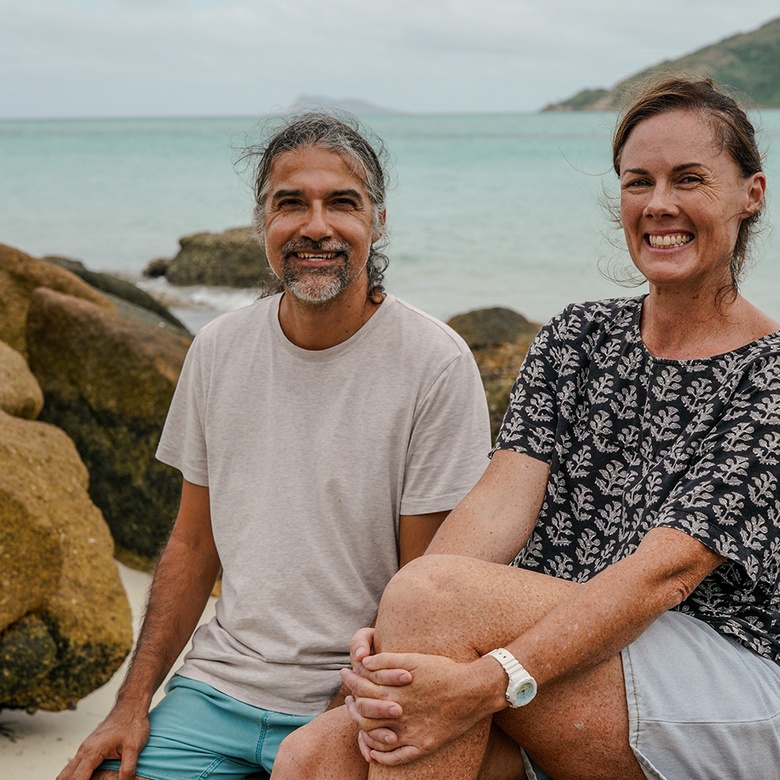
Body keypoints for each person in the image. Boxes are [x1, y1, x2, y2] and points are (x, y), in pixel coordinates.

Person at [271, 77, 780, 780]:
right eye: (639, 182)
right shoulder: (579, 336)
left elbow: (664, 575)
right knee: (311, 754)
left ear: (751, 193)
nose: (660, 205)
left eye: (689, 179)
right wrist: (400, 629)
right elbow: (498, 504)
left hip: (716, 680)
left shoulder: (770, 374)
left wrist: (487, 679)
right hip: (570, 651)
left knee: (432, 604)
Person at [58, 112, 491, 780]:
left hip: (351, 697)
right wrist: (131, 703)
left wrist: (338, 725)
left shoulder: (434, 363)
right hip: (217, 688)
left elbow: (423, 589)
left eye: (341, 203)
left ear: (377, 222)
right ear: (262, 223)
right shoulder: (217, 350)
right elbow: (192, 547)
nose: (315, 226)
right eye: (291, 203)